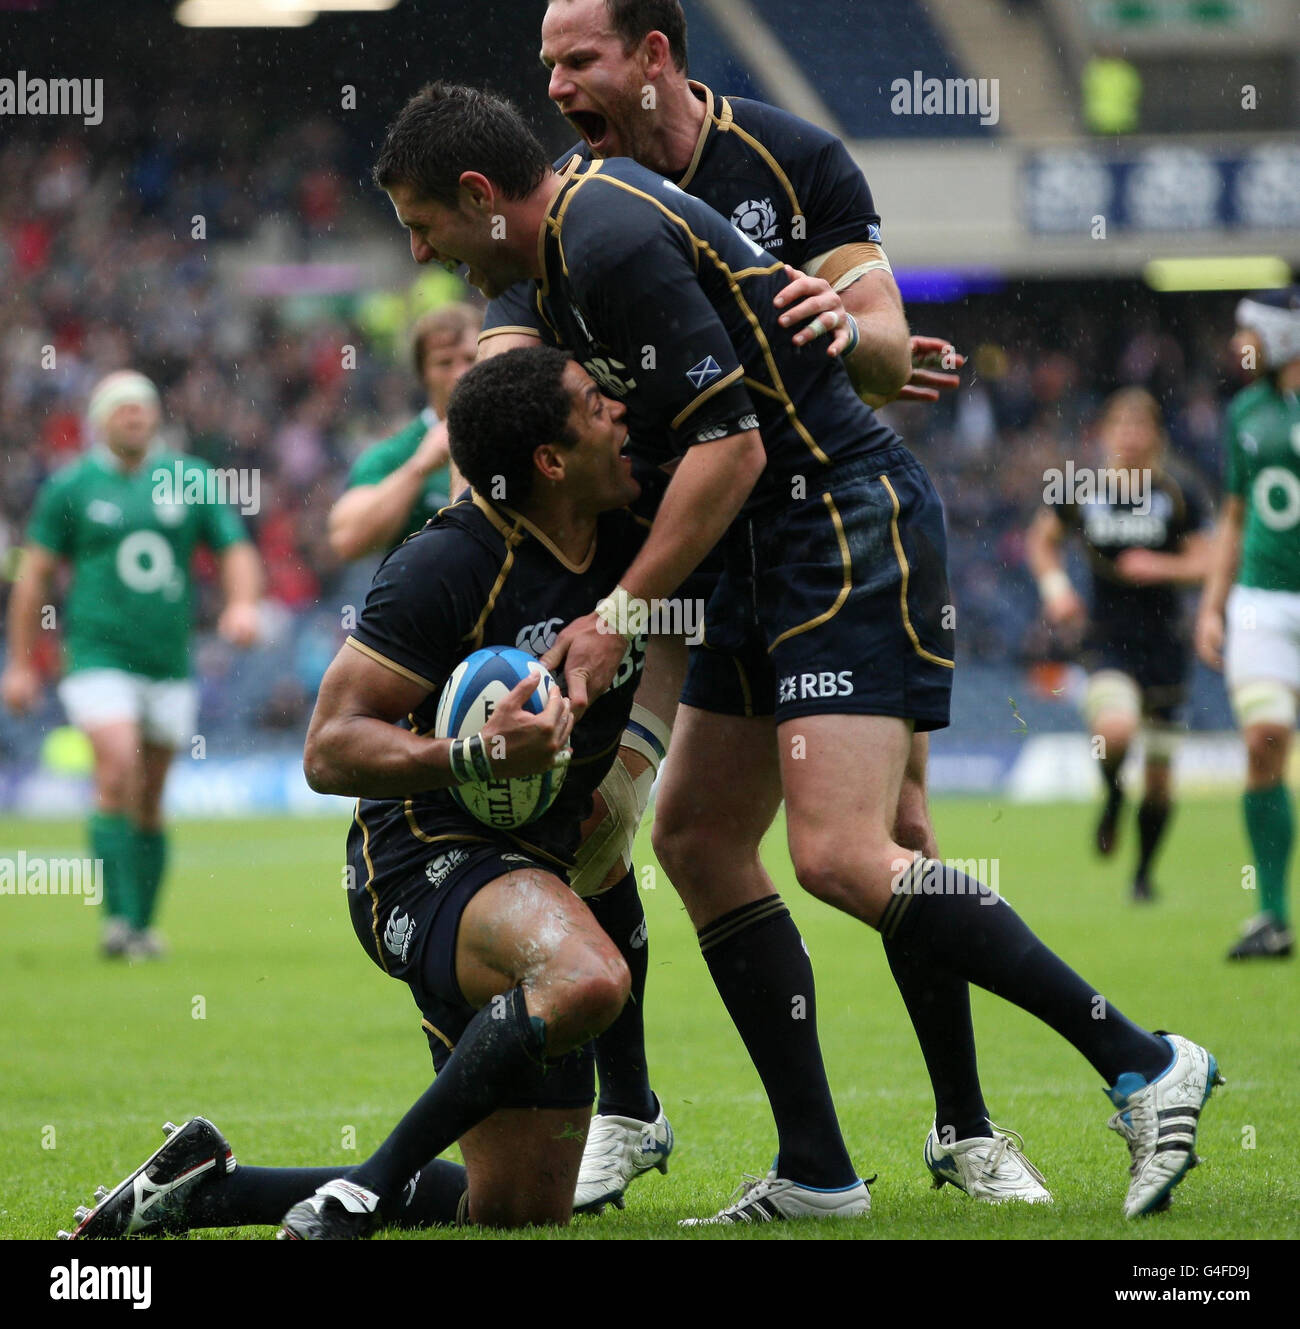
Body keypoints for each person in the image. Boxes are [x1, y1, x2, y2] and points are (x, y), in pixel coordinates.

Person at [371, 80, 1222, 1222]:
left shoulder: (612, 226)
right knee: (701, 837)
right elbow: (568, 379)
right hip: (766, 550)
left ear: (478, 197)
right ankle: (818, 1169)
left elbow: (732, 453)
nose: (426, 256)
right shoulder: (572, 244)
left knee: (845, 852)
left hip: (835, 523)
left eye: (424, 229)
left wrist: (614, 614)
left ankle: (1141, 1063)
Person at [480, 0, 1043, 1216]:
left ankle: (966, 1123)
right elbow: (501, 377)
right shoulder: (574, 212)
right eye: (546, 66)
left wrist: (849, 329)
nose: (559, 86)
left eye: (578, 60)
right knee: (620, 822)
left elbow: (888, 350)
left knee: (885, 827)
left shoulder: (791, 160)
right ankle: (639, 1116)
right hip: (675, 554)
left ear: (653, 57)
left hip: (808, 527)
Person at [64, 347, 653, 1240]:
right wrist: (475, 755)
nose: (619, 411)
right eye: (592, 403)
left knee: (520, 1209)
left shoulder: (639, 526)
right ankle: (363, 1189)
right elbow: (328, 748)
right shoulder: (450, 561)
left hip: (543, 864)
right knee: (590, 976)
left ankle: (210, 1188)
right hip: (422, 859)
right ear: (550, 460)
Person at [1, 370, 262, 960]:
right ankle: (116, 921)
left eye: (144, 406)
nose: (135, 415)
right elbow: (35, 574)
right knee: (116, 767)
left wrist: (243, 604)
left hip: (168, 661)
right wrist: (21, 664)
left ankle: (142, 927)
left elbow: (233, 548)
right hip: (97, 654)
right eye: (122, 408)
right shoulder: (70, 487)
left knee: (149, 796)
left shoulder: (189, 478)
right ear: (98, 420)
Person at [1026, 388, 1212, 901]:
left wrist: (1164, 567)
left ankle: (1143, 876)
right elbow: (1041, 540)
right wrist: (1057, 589)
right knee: (1114, 731)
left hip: (1166, 648)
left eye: (1139, 427)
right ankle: (1111, 798)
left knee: (1159, 781)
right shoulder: (1080, 486)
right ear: (1104, 433)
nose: (1129, 438)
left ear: (1154, 435)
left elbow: (1211, 561)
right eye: (1120, 427)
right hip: (1106, 642)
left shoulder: (1180, 490)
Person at [1196, 289, 1300, 959]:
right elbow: (1234, 516)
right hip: (1261, 604)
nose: (1238, 345)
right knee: (1265, 739)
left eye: (1248, 331)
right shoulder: (1244, 413)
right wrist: (1212, 601)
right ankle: (1271, 914)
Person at [328, 302, 479, 561]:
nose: (460, 374)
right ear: (423, 374)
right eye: (444, 363)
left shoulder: (524, 436)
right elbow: (346, 541)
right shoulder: (396, 453)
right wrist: (418, 468)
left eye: (470, 358)